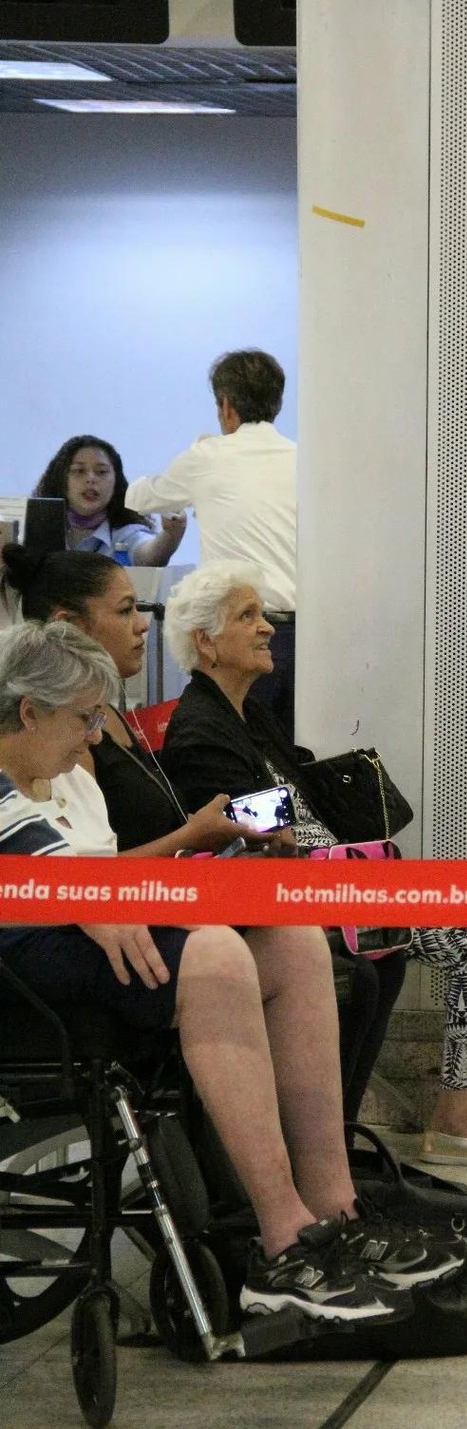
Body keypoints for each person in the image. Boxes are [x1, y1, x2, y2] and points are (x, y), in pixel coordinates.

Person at [0, 620, 467, 1324]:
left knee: (290, 938)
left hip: (104, 943)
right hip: (25, 983)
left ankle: (333, 1208)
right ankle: (281, 1240)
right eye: (83, 718)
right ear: (29, 711)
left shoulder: (72, 784)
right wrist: (104, 897)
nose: (94, 735)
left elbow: (103, 884)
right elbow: (66, 886)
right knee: (217, 954)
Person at [160, 561, 467, 1167]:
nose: (268, 628)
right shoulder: (200, 728)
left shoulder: (249, 713)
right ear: (205, 642)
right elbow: (260, 837)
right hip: (301, 895)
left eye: (262, 614)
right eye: (249, 616)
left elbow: (299, 809)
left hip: (339, 877)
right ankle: (457, 1116)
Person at [0, 542, 398, 1125]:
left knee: (343, 947)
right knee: (284, 950)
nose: (142, 625)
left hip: (155, 899)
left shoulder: (165, 721)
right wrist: (197, 842)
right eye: (125, 609)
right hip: (107, 928)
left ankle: (320, 1162)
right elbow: (88, 864)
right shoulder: (88, 745)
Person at [124, 349, 298, 738]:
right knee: (290, 759)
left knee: (238, 757)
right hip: (303, 639)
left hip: (239, 637)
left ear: (225, 405)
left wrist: (198, 448)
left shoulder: (207, 456)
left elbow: (140, 498)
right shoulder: (302, 458)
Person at [34, 436, 187, 566]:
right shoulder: (37, 530)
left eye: (101, 472)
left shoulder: (126, 534)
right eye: (79, 471)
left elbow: (149, 556)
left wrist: (171, 534)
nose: (91, 479)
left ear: (116, 481)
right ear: (61, 479)